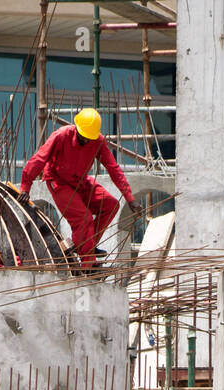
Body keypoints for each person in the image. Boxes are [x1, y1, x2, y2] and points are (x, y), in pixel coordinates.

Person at [20, 108, 141, 269]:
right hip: (58, 182)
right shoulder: (61, 135)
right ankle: (88, 264)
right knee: (83, 219)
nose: (86, 141)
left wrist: (130, 199)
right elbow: (39, 159)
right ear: (76, 128)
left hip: (80, 181)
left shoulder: (97, 140)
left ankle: (86, 247)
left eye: (89, 138)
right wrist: (25, 188)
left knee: (110, 205)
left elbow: (113, 168)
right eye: (83, 137)